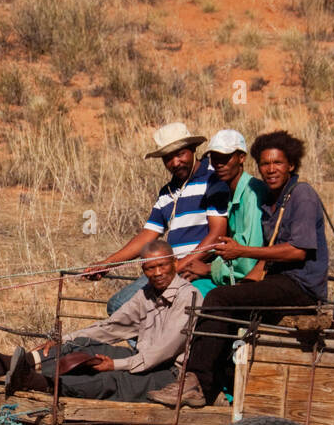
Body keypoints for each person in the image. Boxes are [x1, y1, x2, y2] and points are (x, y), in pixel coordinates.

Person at [147, 130, 330, 408]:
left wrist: (241, 252)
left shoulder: (301, 194)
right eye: (265, 164)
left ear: (291, 165)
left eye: (277, 163)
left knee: (220, 299)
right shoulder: (273, 198)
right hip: (279, 280)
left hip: (300, 286)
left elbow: (297, 250)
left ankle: (195, 383)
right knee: (226, 303)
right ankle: (216, 387)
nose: (270, 170)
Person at [0, 239, 201, 402]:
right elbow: (111, 327)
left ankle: (34, 381)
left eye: (162, 266)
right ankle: (4, 365)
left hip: (169, 374)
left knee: (112, 379)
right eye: (150, 268)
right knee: (85, 348)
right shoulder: (147, 293)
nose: (157, 273)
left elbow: (161, 352)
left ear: (174, 263)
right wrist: (66, 339)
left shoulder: (188, 297)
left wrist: (116, 365)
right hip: (142, 359)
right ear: (143, 270)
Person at [83, 122, 230, 316]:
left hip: (195, 266)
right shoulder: (167, 192)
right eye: (168, 158)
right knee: (119, 306)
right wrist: (109, 263)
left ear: (194, 149)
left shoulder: (213, 180)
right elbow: (147, 235)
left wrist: (182, 264)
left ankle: (153, 346)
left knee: (129, 309)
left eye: (180, 154)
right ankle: (150, 346)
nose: (175, 162)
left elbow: (217, 234)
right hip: (170, 267)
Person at [174, 129, 268, 295]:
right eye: (215, 158)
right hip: (228, 272)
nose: (219, 164)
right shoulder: (230, 192)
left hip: (245, 280)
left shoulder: (252, 194)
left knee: (187, 295)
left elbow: (248, 259)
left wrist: (210, 269)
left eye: (225, 158)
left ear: (241, 158)